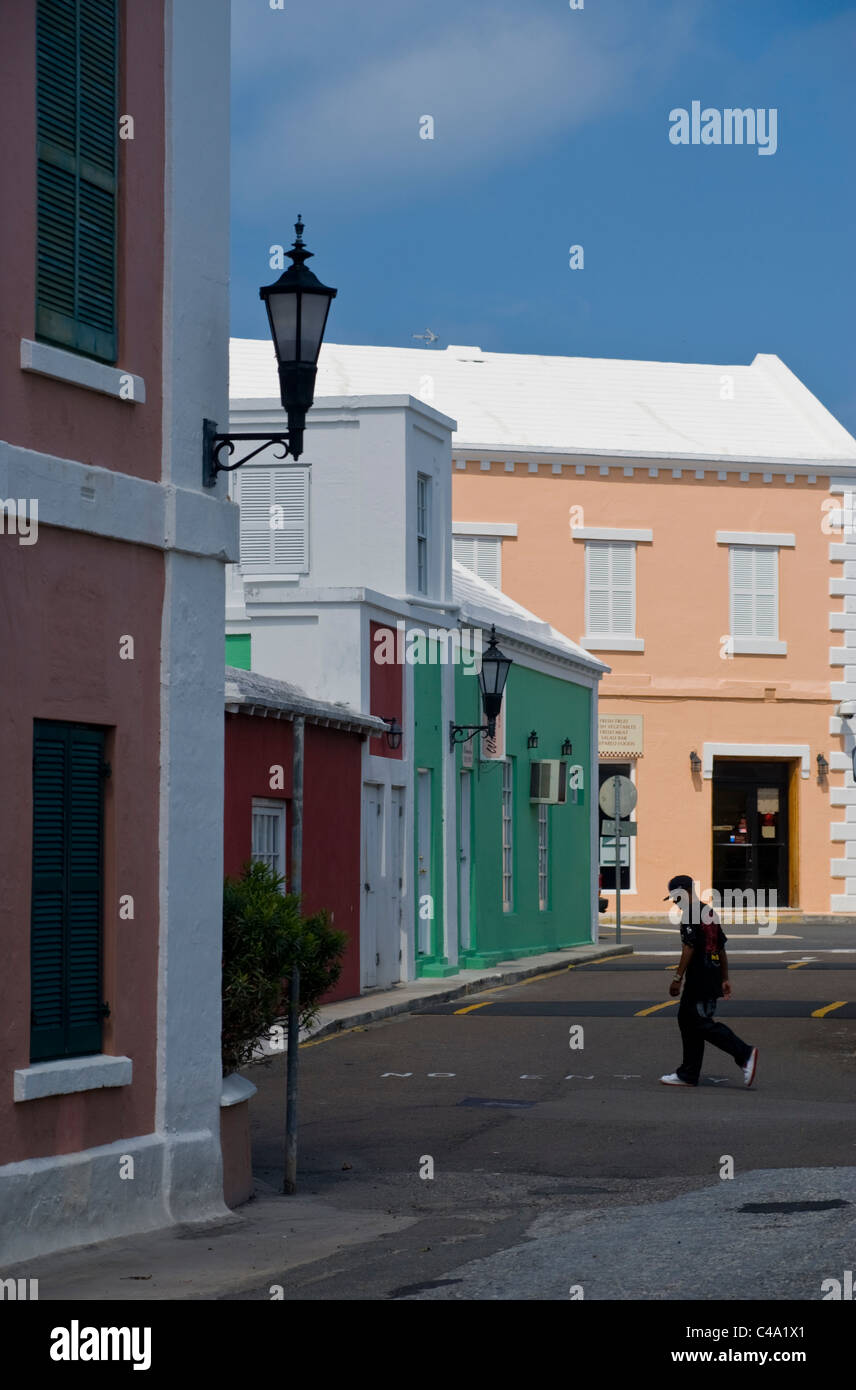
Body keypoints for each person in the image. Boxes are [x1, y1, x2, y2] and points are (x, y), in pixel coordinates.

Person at [659, 874, 758, 1088]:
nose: (675, 902)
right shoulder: (708, 911)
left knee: (700, 1023)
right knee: (688, 1021)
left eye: (675, 897)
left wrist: (677, 978)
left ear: (684, 891)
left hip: (699, 979)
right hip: (711, 976)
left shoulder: (691, 914)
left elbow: (689, 947)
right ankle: (688, 1073)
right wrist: (724, 978)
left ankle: (744, 1053)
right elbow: (720, 948)